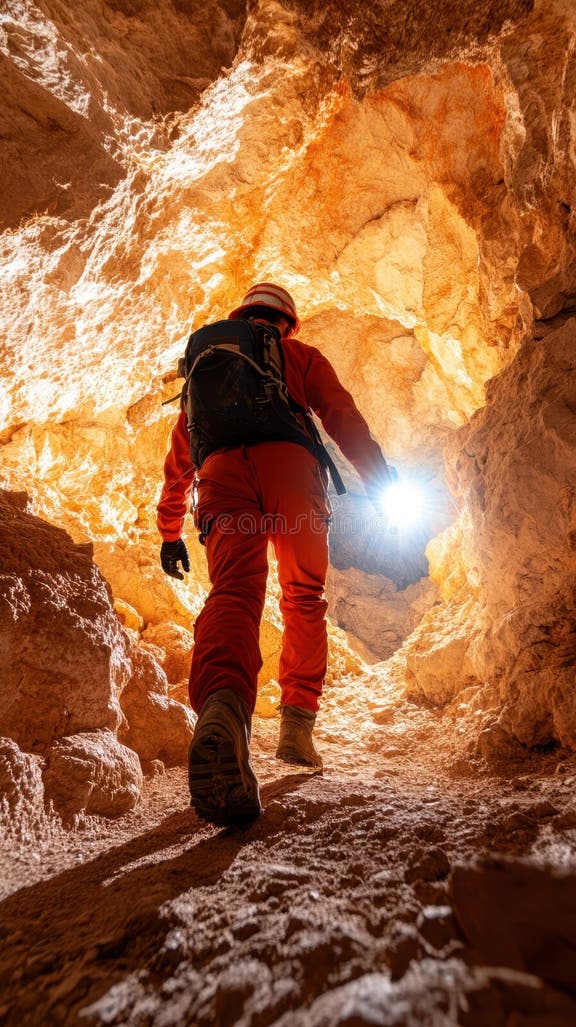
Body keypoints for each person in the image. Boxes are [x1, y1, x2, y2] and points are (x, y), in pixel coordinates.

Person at [157, 283, 392, 826]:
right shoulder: (298, 356)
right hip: (291, 475)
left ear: (241, 317)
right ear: (288, 322)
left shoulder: (209, 368)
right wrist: (381, 481)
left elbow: (181, 454)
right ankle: (296, 727)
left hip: (221, 476)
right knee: (303, 594)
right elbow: (340, 415)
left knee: (234, 593)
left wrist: (171, 530)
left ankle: (222, 708)